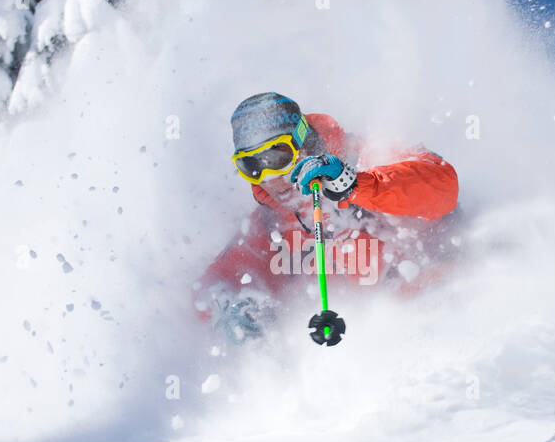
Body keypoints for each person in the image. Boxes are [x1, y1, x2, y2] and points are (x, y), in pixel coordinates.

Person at [194, 92, 460, 341]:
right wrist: (233, 306)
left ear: (304, 142)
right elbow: (215, 281)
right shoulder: (271, 222)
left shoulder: (367, 157)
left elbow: (444, 187)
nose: (270, 178)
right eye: (252, 166)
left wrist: (356, 185)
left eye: (277, 156)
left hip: (442, 317)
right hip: (364, 356)